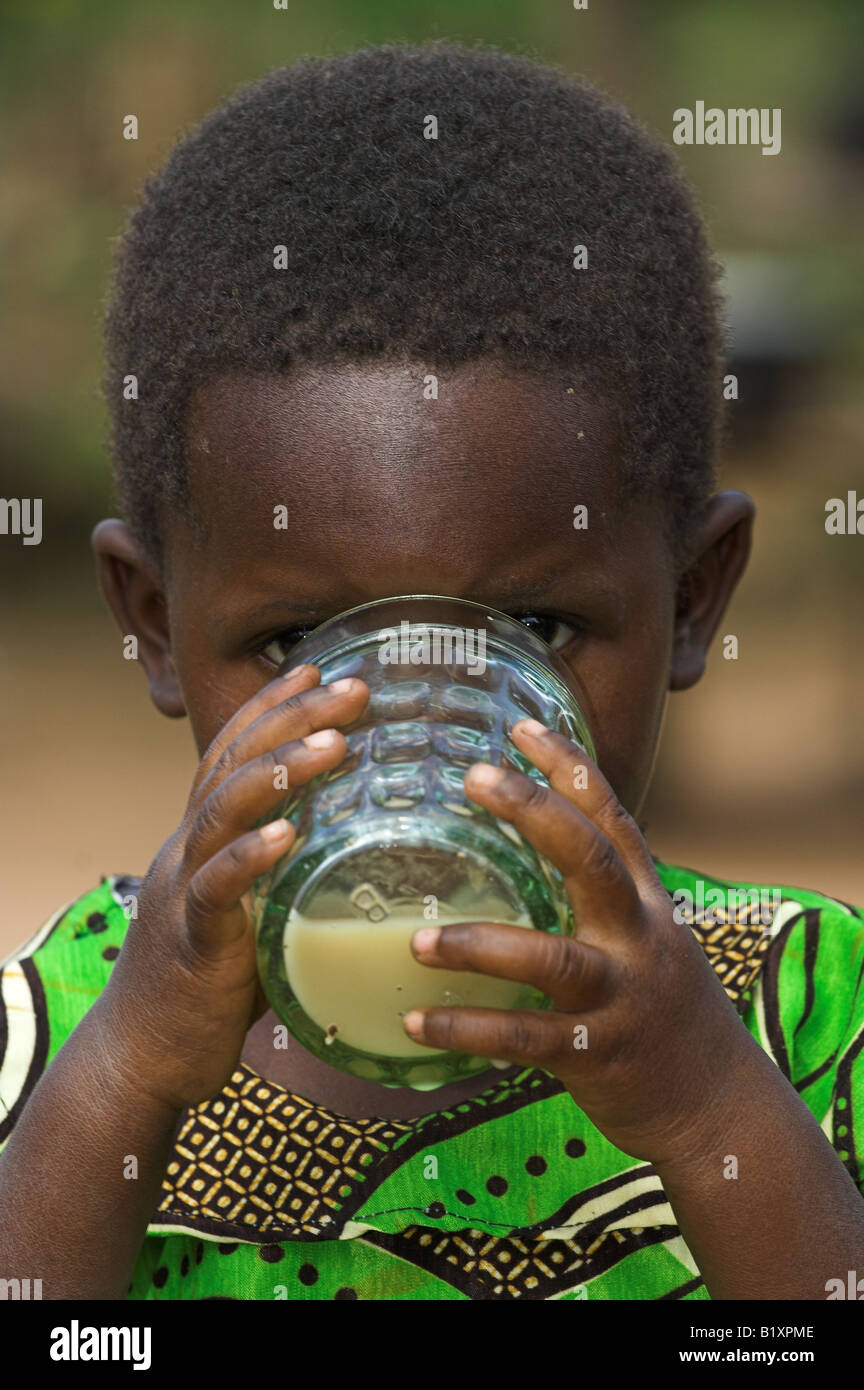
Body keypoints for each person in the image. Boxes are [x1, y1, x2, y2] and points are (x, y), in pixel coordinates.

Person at [1, 42, 862, 1302]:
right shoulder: (70, 1023)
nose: (418, 737)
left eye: (532, 625)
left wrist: (707, 1106)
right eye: (300, 646)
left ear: (692, 599)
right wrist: (129, 1077)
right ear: (150, 620)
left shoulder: (795, 1012)